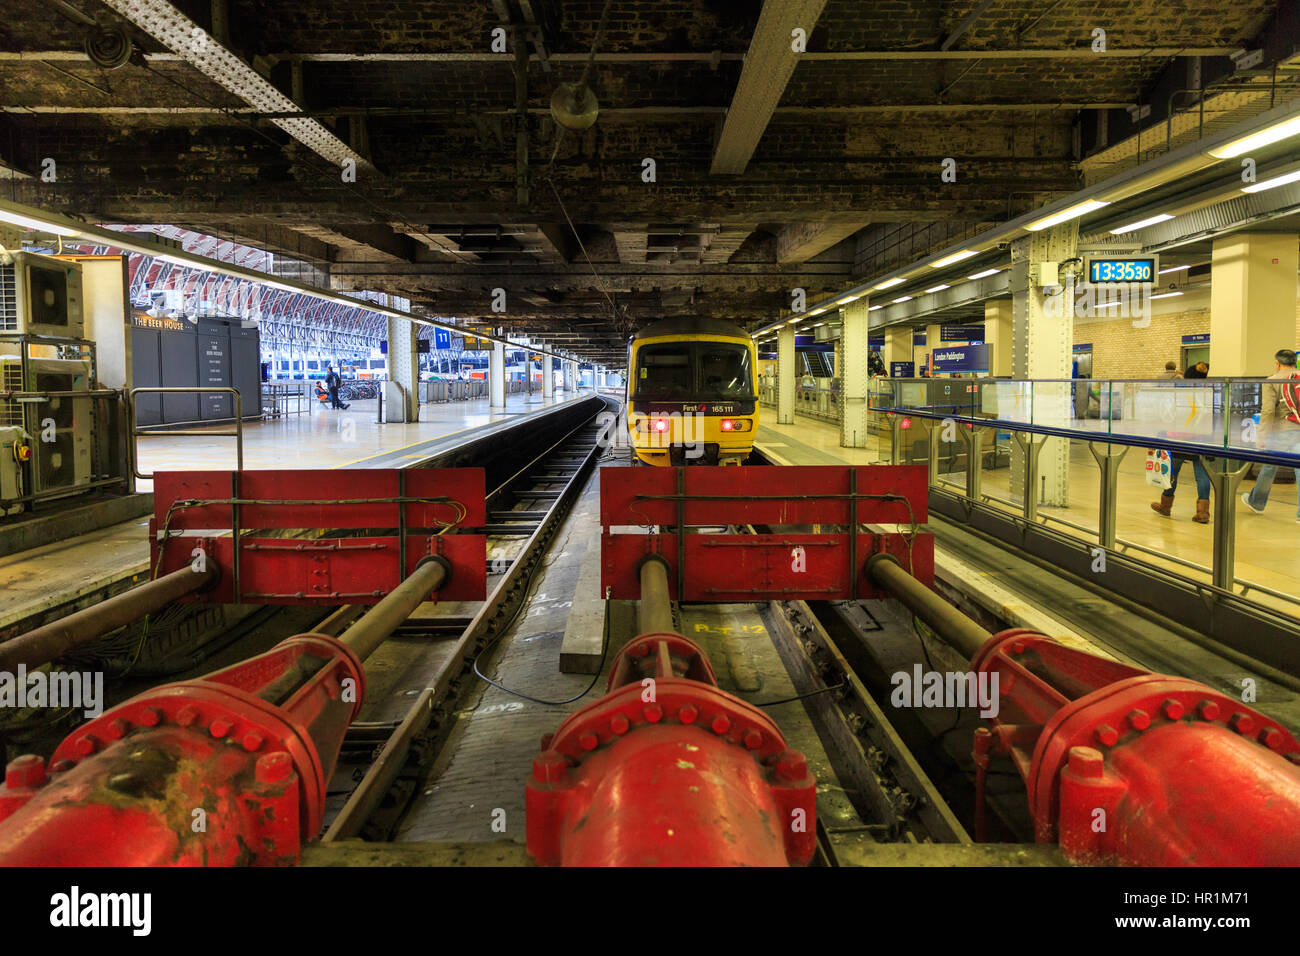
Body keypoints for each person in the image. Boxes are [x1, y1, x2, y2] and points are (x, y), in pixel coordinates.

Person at [1241, 348, 1300, 521]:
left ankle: (1257, 502)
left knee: (1268, 466)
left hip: (1283, 429)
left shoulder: (1273, 380)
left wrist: (1262, 436)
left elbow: (1267, 412)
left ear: (1277, 363)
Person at [1151, 363, 1212, 523]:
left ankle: (1166, 506)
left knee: (1172, 473)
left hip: (1179, 439)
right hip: (1201, 439)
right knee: (1202, 475)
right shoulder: (1209, 391)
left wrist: (1162, 433)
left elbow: (1170, 415)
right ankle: (1203, 512)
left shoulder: (1180, 392)